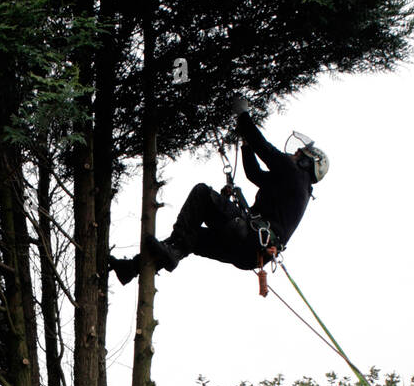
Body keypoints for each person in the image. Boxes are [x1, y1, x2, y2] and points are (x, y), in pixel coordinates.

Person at [109, 97, 329, 284]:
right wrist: (244, 145)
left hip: (250, 238)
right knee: (190, 238)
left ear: (308, 164)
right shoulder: (294, 188)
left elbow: (264, 147)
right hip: (249, 253)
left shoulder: (295, 175)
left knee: (202, 194)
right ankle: (132, 268)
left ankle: (173, 253)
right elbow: (254, 174)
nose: (293, 156)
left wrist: (243, 114)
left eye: (299, 155)